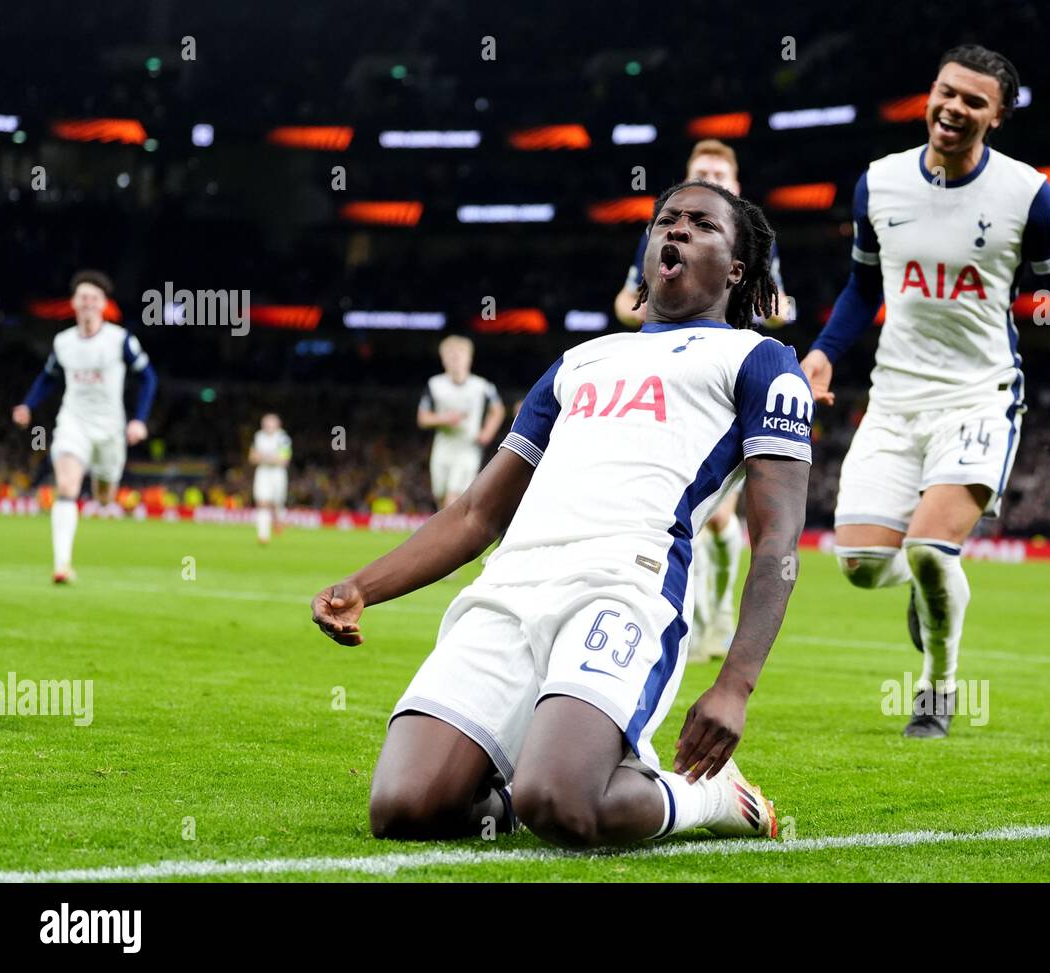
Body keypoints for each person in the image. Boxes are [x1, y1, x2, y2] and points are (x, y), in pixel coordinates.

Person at [312, 181, 813, 848]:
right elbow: (475, 513)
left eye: (701, 224)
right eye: (666, 219)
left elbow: (778, 536)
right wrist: (362, 587)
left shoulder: (760, 360)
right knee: (406, 807)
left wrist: (735, 686)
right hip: (511, 583)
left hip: (624, 586)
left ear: (738, 267)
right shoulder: (581, 360)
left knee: (563, 801)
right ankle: (529, 777)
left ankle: (712, 793)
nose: (676, 230)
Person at [800, 45, 1050, 737]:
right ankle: (922, 588)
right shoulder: (878, 183)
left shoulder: (1027, 194)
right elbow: (862, 285)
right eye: (947, 92)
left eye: (975, 101)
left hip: (979, 397)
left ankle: (938, 692)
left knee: (929, 548)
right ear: (930, 94)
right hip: (893, 399)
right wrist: (824, 354)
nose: (954, 108)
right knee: (857, 564)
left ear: (998, 116)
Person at [614, 139, 793, 661]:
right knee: (679, 506)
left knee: (712, 512)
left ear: (735, 185)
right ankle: (683, 613)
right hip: (664, 374)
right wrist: (646, 307)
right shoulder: (661, 234)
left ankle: (709, 618)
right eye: (701, 171)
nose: (710, 177)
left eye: (718, 171)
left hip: (728, 375)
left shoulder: (754, 241)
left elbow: (775, 302)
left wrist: (776, 308)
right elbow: (629, 300)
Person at [11, 270, 157, 582]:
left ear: (104, 304)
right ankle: (62, 565)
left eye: (94, 298)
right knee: (66, 487)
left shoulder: (121, 340)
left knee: (104, 495)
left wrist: (139, 420)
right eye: (83, 297)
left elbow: (148, 377)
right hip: (72, 422)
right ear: (74, 303)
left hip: (110, 430)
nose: (88, 303)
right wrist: (28, 405)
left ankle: (103, 491)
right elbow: (49, 377)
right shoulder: (63, 342)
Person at [417, 335, 505, 510]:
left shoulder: (482, 386)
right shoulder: (434, 384)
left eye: (459, 354)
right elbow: (422, 418)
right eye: (450, 355)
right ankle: (447, 534)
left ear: (469, 358)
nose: (455, 359)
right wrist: (444, 418)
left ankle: (447, 537)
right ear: (443, 359)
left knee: (453, 496)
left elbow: (498, 410)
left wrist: (487, 432)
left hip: (468, 447)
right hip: (443, 447)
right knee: (441, 496)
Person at [249, 413, 291, 544]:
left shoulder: (283, 438)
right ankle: (263, 535)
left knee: (277, 503)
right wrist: (270, 458)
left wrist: (265, 457)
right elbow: (252, 457)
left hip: (278, 473)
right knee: (262, 502)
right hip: (263, 472)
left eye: (271, 424)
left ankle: (278, 520)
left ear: (278, 425)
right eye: (266, 424)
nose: (268, 427)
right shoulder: (258, 436)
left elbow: (284, 460)